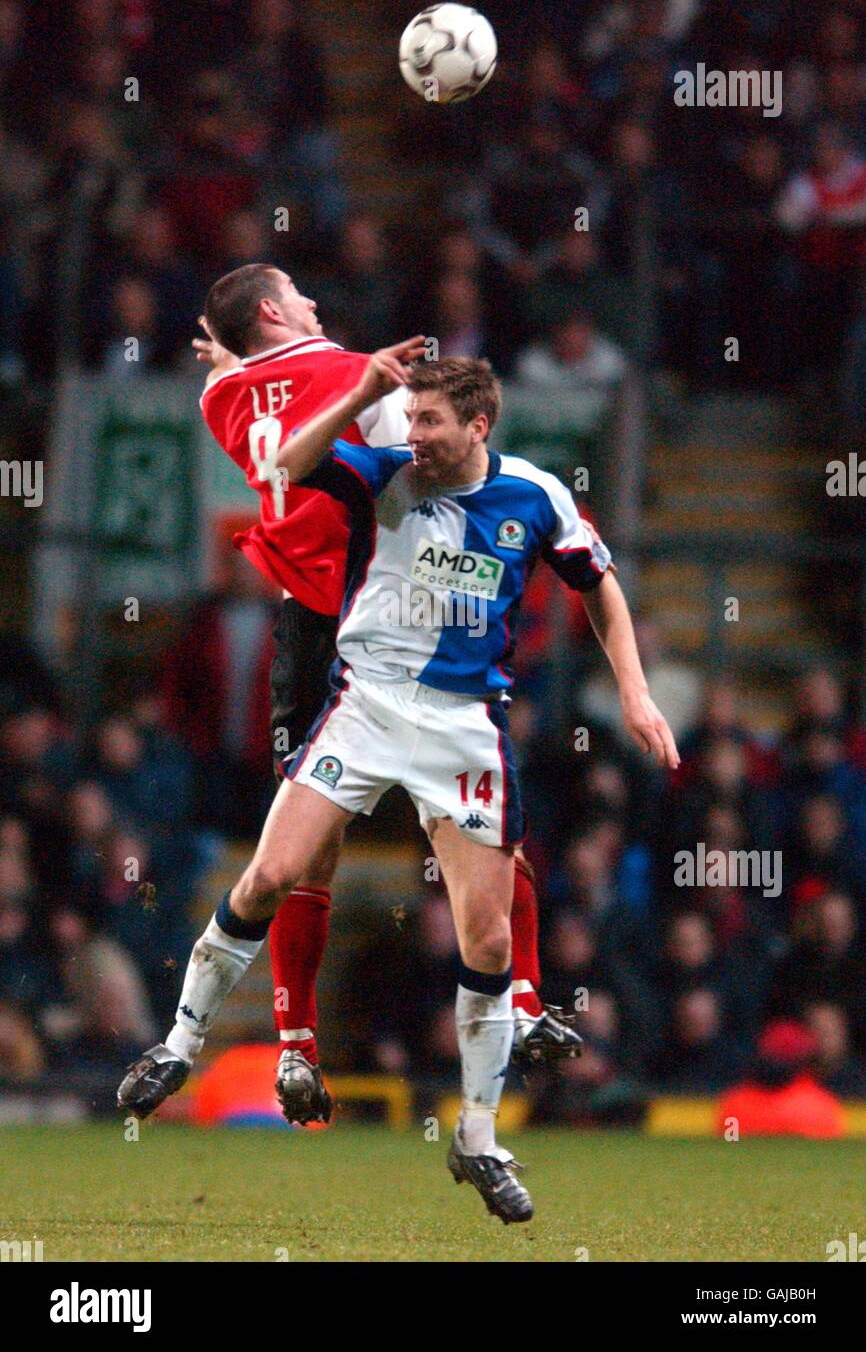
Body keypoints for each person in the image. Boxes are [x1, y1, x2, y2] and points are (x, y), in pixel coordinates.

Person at [120, 352, 679, 1223]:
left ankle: (480, 1142)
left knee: (486, 941)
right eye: (408, 418)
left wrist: (637, 694)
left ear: (478, 427)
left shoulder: (535, 497)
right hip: (367, 705)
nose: (411, 435)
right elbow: (287, 466)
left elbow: (598, 583)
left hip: (463, 726)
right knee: (270, 875)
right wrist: (364, 391)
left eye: (429, 421)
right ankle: (176, 1046)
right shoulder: (382, 473)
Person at [163, 262, 583, 1126]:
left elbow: (267, 401)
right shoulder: (366, 380)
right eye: (301, 291)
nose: (319, 299)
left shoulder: (222, 396)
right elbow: (431, 468)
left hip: (325, 628)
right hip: (379, 627)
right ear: (279, 310)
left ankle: (306, 1044)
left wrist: (230, 357)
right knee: (455, 835)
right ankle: (513, 1003)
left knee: (326, 859)